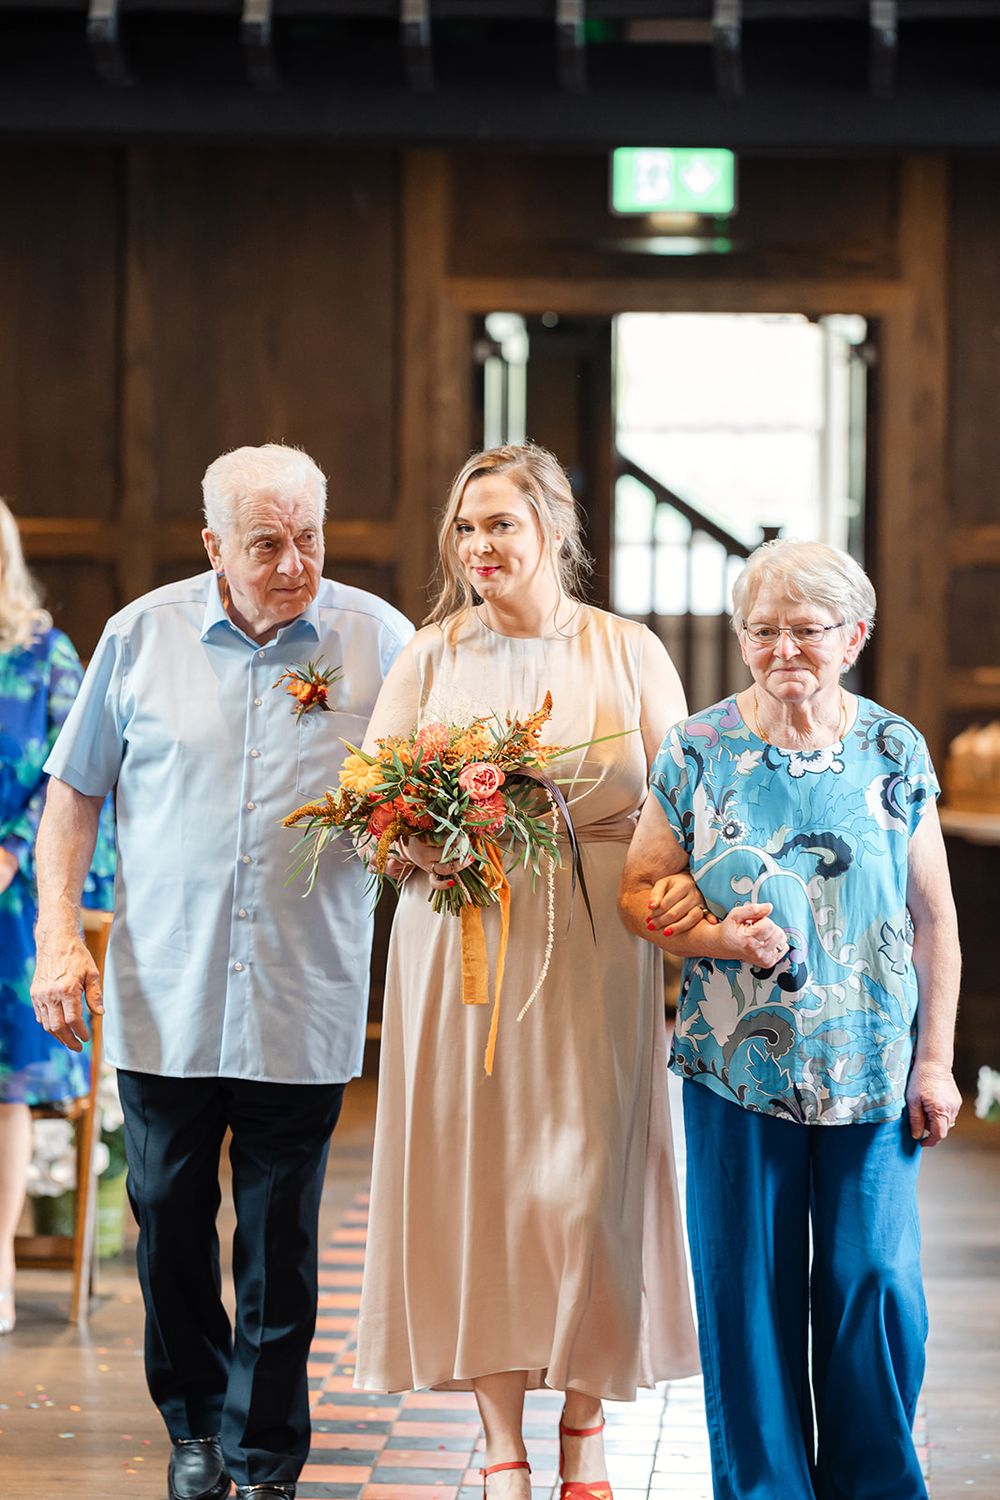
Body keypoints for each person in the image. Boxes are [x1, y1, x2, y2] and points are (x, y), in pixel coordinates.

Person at [30, 444, 412, 1500]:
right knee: (167, 1221)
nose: (295, 564)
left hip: (304, 989)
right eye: (265, 544)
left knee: (282, 1245)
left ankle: (263, 1459)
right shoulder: (140, 636)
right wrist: (58, 935)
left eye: (309, 539)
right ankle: (193, 1426)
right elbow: (71, 794)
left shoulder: (379, 641)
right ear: (212, 547)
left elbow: (427, 802)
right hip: (168, 991)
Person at [354, 443, 700, 1500]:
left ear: (551, 527)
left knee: (586, 1183)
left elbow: (686, 805)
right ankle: (501, 1440)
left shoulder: (627, 649)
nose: (478, 546)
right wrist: (416, 841)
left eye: (498, 524)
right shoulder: (428, 654)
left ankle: (584, 1425)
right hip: (461, 939)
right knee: (481, 1182)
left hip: (597, 940)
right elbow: (368, 816)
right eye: (465, 528)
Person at [619, 538, 961, 1500]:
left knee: (873, 1287)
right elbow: (640, 890)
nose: (782, 652)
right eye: (762, 631)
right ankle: (765, 1490)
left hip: (872, 1069)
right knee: (746, 1299)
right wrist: (724, 940)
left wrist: (933, 1064)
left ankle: (877, 1486)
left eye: (805, 632)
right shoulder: (696, 747)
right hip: (735, 1068)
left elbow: (934, 919)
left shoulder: (894, 748)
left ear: (852, 637)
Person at [0, 497, 114, 1337]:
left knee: (1, 1088)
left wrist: (8, 850)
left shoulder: (44, 652)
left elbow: (70, 778)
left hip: (10, 897)